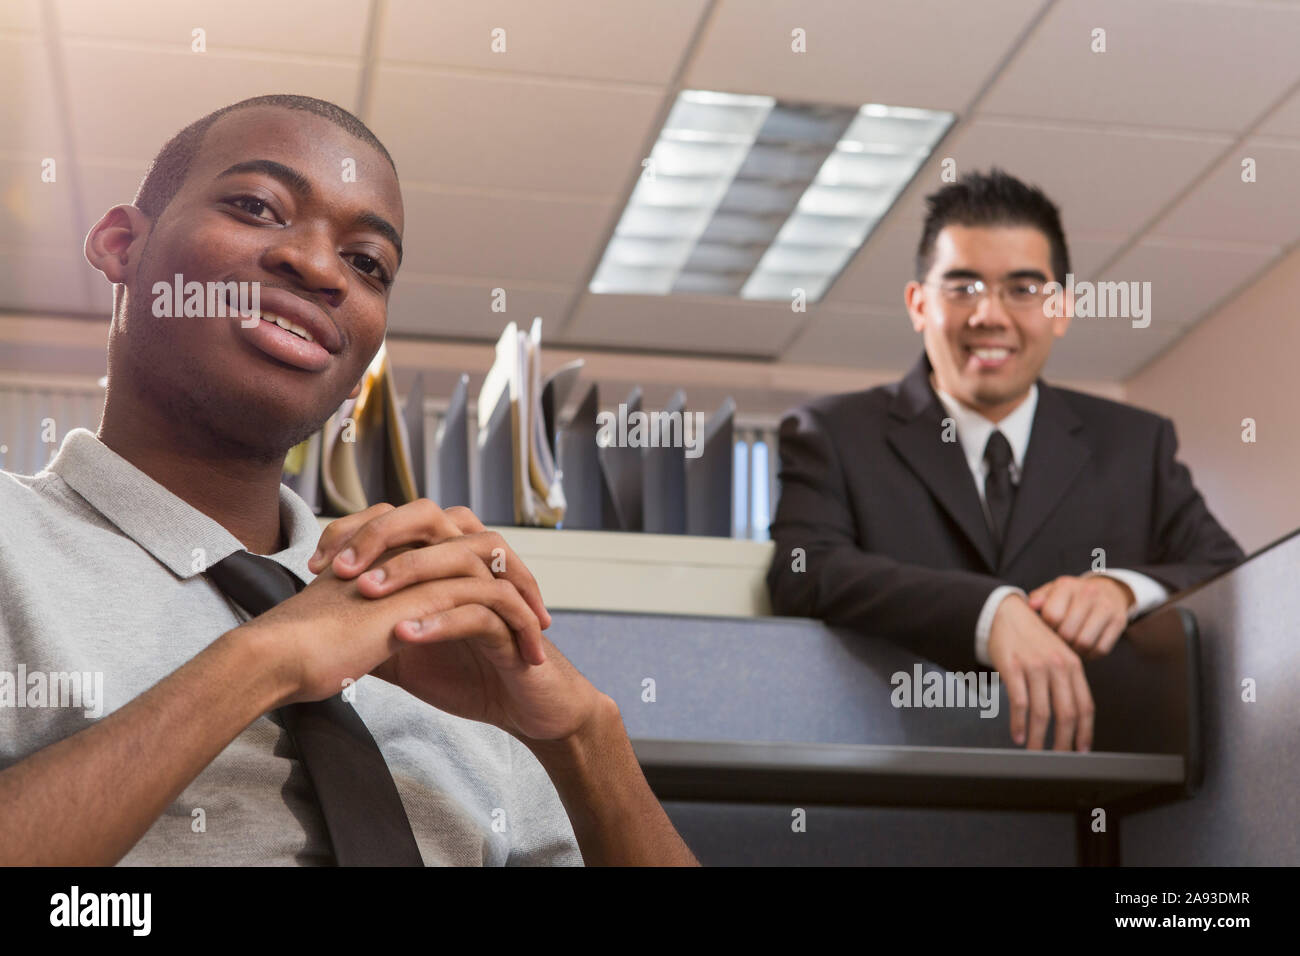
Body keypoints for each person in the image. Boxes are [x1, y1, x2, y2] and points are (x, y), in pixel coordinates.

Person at [0, 94, 697, 866]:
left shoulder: (431, 625)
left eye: (368, 263)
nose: (319, 266)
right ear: (122, 245)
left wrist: (584, 737)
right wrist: (265, 660)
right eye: (258, 207)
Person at [766, 169, 1243, 753]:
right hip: (892, 787)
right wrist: (989, 613)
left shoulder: (1135, 444)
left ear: (1062, 309)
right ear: (918, 305)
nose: (989, 314)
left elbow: (1227, 572)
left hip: (1099, 802)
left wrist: (1121, 589)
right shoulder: (833, 433)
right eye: (962, 287)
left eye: (1022, 289)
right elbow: (802, 570)